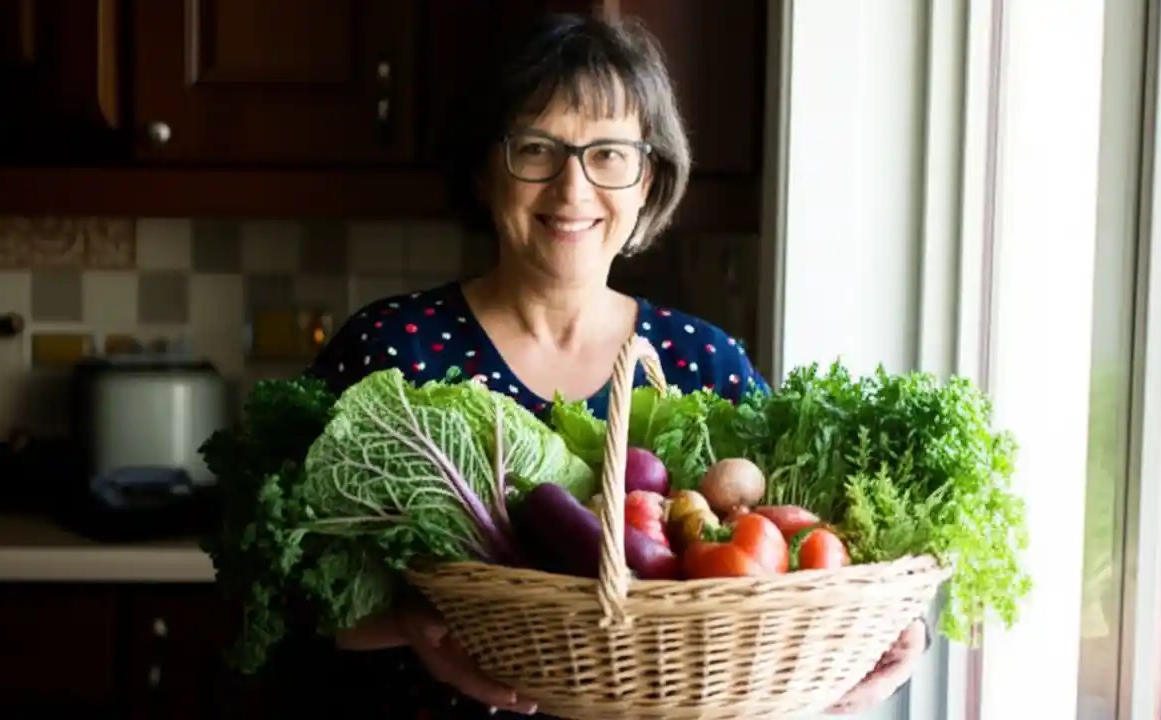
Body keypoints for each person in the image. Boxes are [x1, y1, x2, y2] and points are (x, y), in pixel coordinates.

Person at [290, 11, 930, 719]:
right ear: (483, 171)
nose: (572, 189)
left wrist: (887, 639)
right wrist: (408, 622)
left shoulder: (703, 363)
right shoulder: (390, 351)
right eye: (537, 149)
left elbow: (799, 560)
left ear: (649, 179)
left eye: (608, 154)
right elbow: (288, 590)